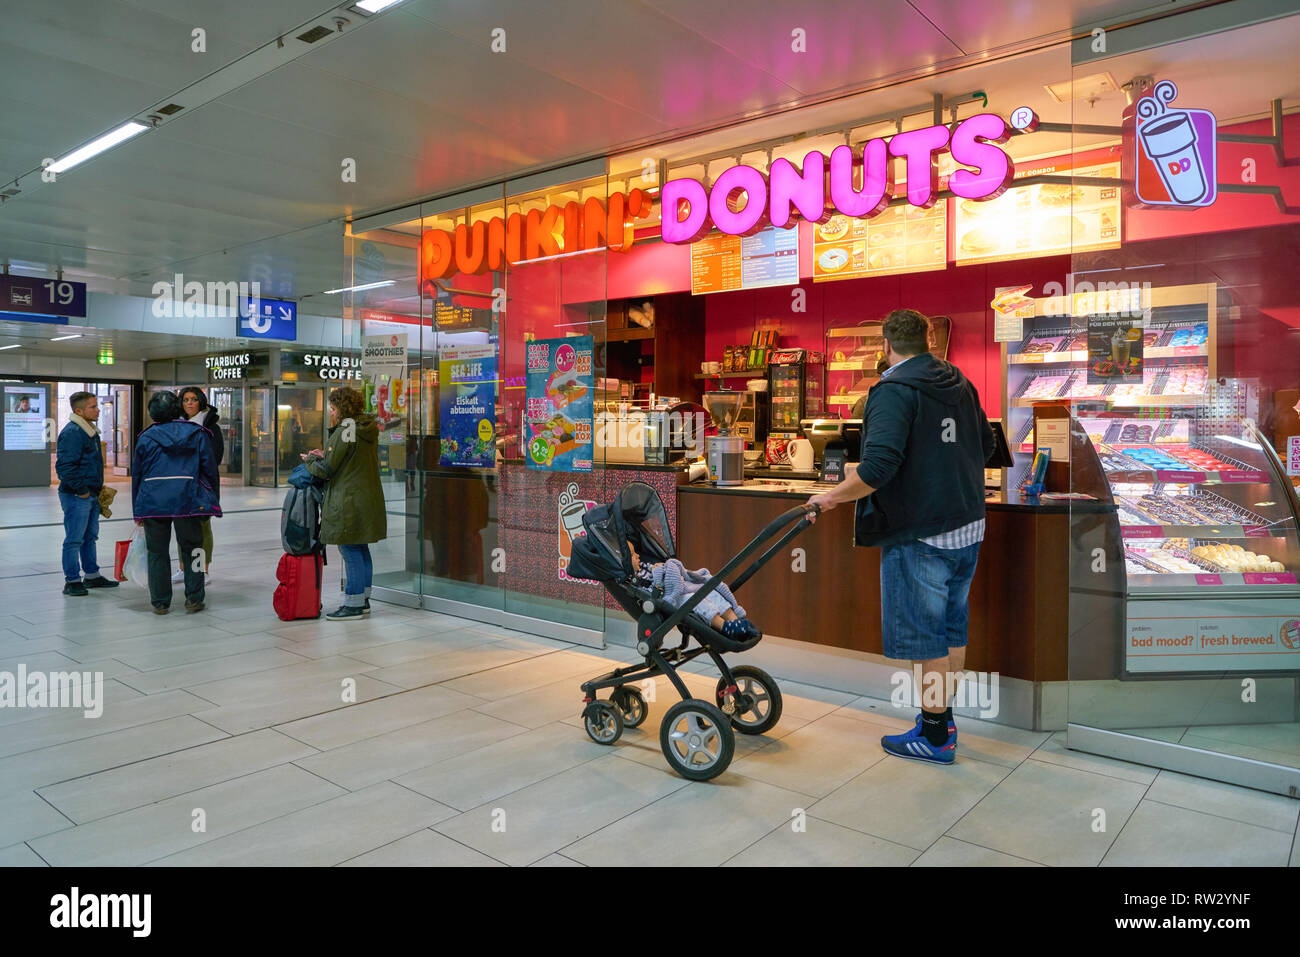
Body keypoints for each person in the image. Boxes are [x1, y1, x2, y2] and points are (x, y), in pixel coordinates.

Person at [808, 309, 994, 765]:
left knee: (927, 638)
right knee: (951, 627)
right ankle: (944, 721)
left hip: (923, 533)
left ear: (886, 346)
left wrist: (829, 497)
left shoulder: (892, 391)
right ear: (928, 340)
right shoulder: (959, 381)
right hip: (968, 526)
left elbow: (877, 470)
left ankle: (933, 736)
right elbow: (988, 447)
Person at [131, 391, 221, 615]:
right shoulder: (198, 433)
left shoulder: (145, 437)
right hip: (188, 500)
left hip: (153, 502)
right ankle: (195, 598)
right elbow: (210, 470)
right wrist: (212, 502)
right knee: (194, 550)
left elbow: (138, 476)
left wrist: (138, 511)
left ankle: (160, 602)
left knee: (157, 553)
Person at [303, 386, 385, 620]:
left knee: (349, 548)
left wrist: (310, 459)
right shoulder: (366, 427)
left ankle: (353, 605)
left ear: (342, 409)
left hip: (348, 498)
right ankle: (363, 599)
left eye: (333, 408)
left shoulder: (345, 429)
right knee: (360, 547)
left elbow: (326, 469)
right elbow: (349, 459)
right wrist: (326, 454)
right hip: (366, 496)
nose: (331, 413)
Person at [55, 391, 118, 596]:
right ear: (79, 411)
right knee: (74, 539)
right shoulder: (73, 432)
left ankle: (92, 575)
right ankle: (72, 580)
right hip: (76, 495)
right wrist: (81, 491)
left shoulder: (90, 430)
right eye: (93, 406)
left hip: (90, 494)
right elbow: (64, 467)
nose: (98, 409)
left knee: (90, 537)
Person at [628, 542, 758, 639]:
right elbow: (655, 592)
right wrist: (658, 574)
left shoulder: (644, 566)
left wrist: (663, 567)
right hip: (672, 597)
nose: (638, 555)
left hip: (683, 586)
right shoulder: (637, 581)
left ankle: (736, 623)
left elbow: (666, 569)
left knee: (710, 592)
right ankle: (724, 627)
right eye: (633, 555)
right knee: (696, 601)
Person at [173, 387, 223, 584]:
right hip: (180, 484)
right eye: (186, 400)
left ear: (201, 402)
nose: (190, 403)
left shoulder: (210, 427)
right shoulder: (178, 424)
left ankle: (202, 570)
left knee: (202, 528)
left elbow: (215, 458)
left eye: (194, 399)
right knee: (182, 527)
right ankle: (183, 568)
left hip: (202, 485)